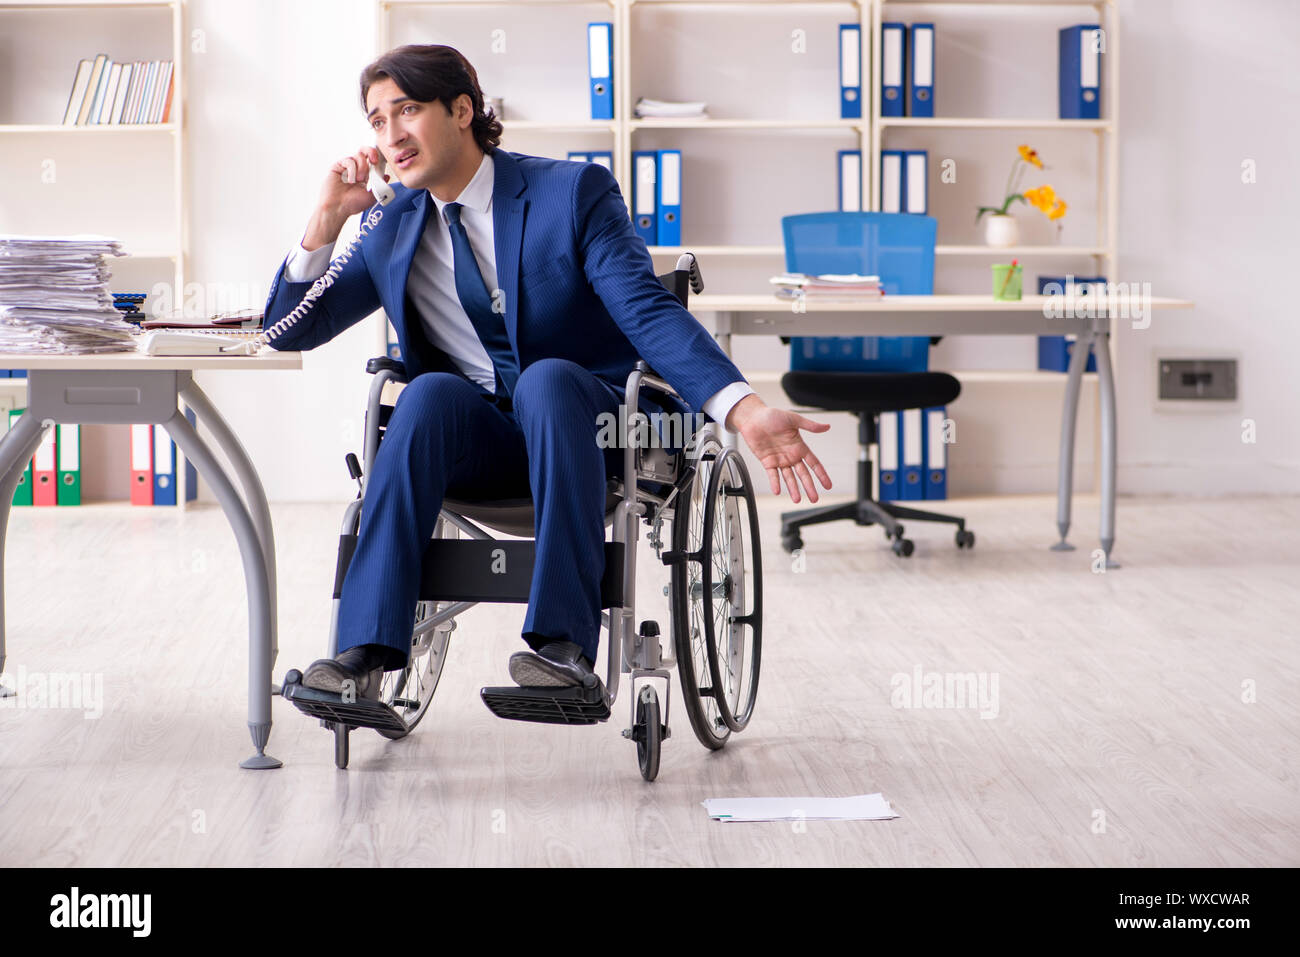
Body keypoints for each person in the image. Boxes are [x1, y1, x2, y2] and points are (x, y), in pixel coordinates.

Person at [262, 44, 830, 699]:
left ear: (463, 110)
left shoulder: (570, 193)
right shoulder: (389, 225)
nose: (390, 135)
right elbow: (287, 330)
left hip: (594, 433)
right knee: (426, 394)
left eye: (407, 111)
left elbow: (646, 310)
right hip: (486, 444)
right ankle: (363, 650)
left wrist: (743, 407)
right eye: (376, 121)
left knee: (549, 379)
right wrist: (327, 218)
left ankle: (562, 651)